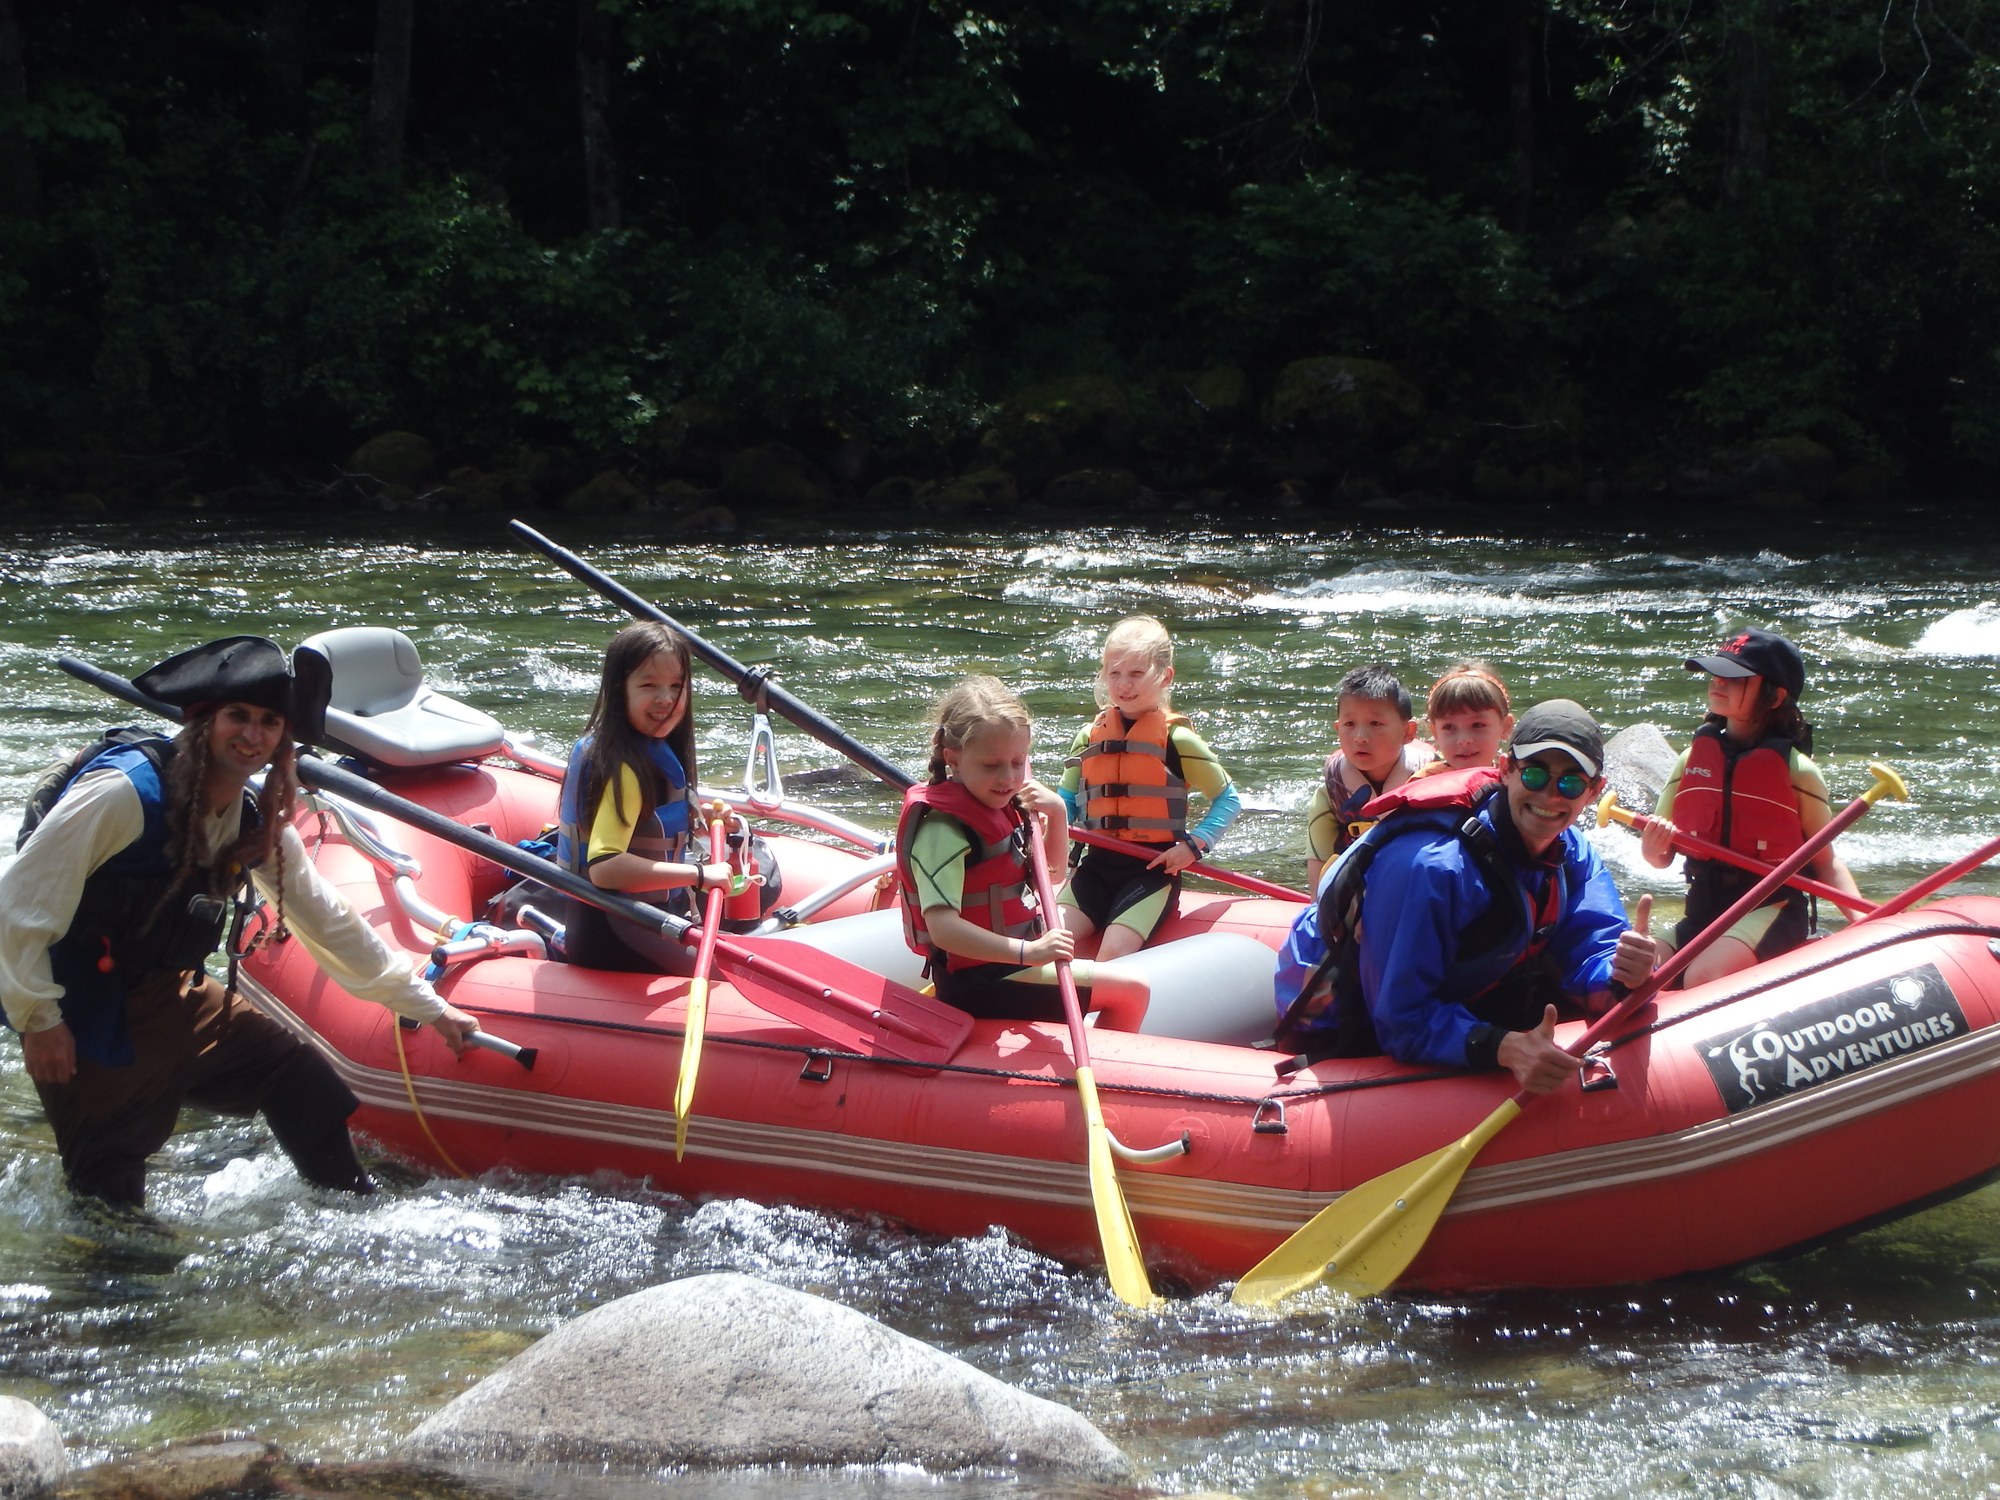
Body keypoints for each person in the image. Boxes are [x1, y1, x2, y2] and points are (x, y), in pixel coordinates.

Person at [0, 636, 480, 1208]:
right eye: (239, 716)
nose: (253, 735)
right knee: (110, 1198)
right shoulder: (123, 794)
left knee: (300, 1081)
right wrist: (38, 1020)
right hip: (83, 1009)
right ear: (204, 722)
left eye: (269, 722)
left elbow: (324, 918)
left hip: (166, 990)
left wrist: (425, 1004)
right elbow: (18, 904)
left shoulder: (254, 818)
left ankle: (356, 1208)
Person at [1273, 700, 1660, 1096]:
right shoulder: (1433, 868)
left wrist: (1622, 975)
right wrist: (1504, 1047)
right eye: (1535, 774)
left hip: (1465, 989)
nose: (1550, 796)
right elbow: (1401, 1019)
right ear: (1507, 770)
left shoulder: (1571, 850)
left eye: (1571, 783)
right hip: (1352, 1019)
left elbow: (1592, 947)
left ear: (1595, 791)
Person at [897, 676, 1147, 1028]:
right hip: (982, 980)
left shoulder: (1003, 804)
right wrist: (1029, 953)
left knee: (1128, 985)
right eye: (992, 765)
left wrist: (1058, 813)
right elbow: (943, 929)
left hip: (1013, 963)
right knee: (1132, 990)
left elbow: (1053, 875)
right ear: (953, 758)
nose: (1008, 777)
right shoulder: (944, 829)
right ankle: (1113, 1076)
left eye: (1017, 762)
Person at [1639, 628, 1862, 985]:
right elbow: (1659, 858)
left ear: (1775, 697)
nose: (1717, 683)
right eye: (1715, 673)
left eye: (1734, 677)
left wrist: (1865, 923)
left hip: (1772, 908)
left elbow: (1826, 861)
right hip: (1705, 910)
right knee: (1639, 971)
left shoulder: (1797, 771)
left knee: (1703, 975)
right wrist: (1653, 847)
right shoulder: (1690, 761)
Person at [1056, 616, 1239, 961]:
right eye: (1114, 673)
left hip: (1152, 872)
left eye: (1136, 674)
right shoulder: (1088, 737)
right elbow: (1066, 801)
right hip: (1094, 868)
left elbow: (1228, 800)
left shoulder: (1177, 739)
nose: (1123, 685)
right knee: (1052, 942)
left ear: (1165, 676)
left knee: (1110, 955)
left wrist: (1192, 847)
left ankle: (1098, 1014)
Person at [555, 621, 734, 973]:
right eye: (649, 685)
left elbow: (653, 827)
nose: (665, 699)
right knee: (732, 975)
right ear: (620, 690)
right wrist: (698, 874)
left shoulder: (652, 750)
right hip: (613, 933)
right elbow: (605, 869)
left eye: (676, 686)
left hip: (641, 920)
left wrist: (702, 822)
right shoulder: (623, 768)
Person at [1303, 664, 1435, 885]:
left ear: (1408, 732)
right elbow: (1319, 866)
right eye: (1349, 724)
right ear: (1338, 729)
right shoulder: (1332, 790)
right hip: (1357, 880)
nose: (1360, 737)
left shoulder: (1432, 778)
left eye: (1375, 723)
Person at [1421, 661, 1514, 772]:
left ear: (1505, 727)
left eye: (1477, 725)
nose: (1464, 740)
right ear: (1435, 732)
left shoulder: (1514, 780)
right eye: (1449, 727)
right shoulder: (1424, 783)